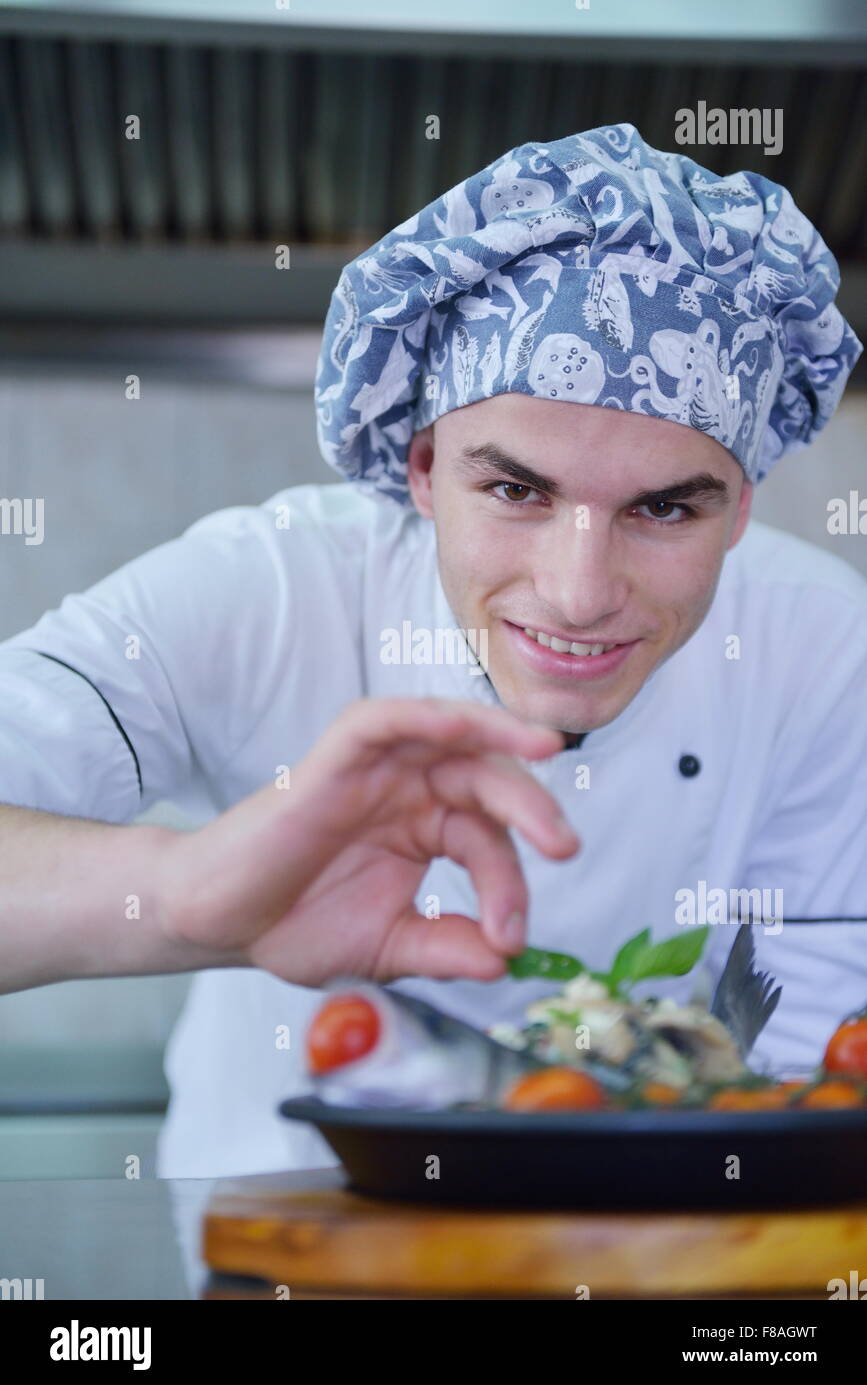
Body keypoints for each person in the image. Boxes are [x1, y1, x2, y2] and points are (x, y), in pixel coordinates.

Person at [1, 123, 865, 1179]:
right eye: (515, 489)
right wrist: (191, 894)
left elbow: (810, 1085)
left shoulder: (822, 652)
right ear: (420, 468)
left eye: (666, 509)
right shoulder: (272, 587)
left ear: (738, 511)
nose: (579, 594)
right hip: (281, 1251)